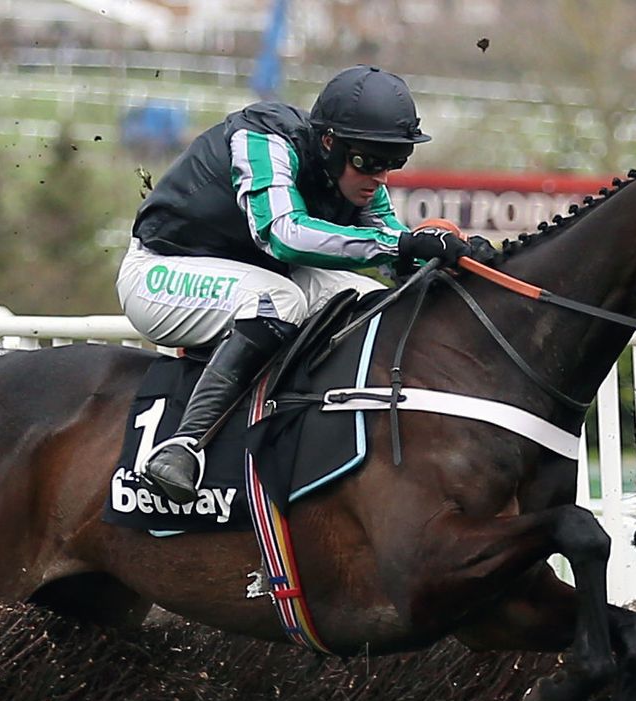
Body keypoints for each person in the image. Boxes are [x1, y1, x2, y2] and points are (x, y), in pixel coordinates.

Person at [117, 65, 494, 503]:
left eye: (393, 163)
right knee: (278, 300)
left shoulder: (360, 180)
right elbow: (282, 234)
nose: (379, 178)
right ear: (330, 142)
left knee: (372, 300)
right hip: (160, 273)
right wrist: (404, 244)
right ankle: (184, 446)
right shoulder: (263, 138)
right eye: (369, 162)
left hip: (255, 277)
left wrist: (450, 259)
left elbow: (394, 249)